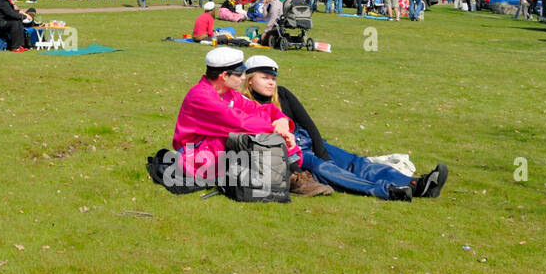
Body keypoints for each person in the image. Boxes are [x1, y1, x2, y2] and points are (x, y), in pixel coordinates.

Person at [242, 56, 447, 201]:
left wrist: (322, 151)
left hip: (309, 142)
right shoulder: (244, 103)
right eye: (264, 77)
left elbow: (308, 123)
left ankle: (416, 184)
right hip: (292, 152)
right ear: (250, 80)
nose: (271, 82)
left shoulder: (283, 94)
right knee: (326, 169)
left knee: (355, 163)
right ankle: (389, 191)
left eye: (273, 78)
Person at [171, 47, 306, 186]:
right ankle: (294, 177)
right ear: (224, 75)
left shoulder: (228, 93)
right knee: (249, 136)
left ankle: (296, 175)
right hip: (194, 157)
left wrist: (282, 121)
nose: (243, 77)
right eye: (239, 73)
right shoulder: (201, 96)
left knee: (256, 136)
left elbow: (260, 109)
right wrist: (275, 129)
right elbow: (240, 123)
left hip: (213, 150)